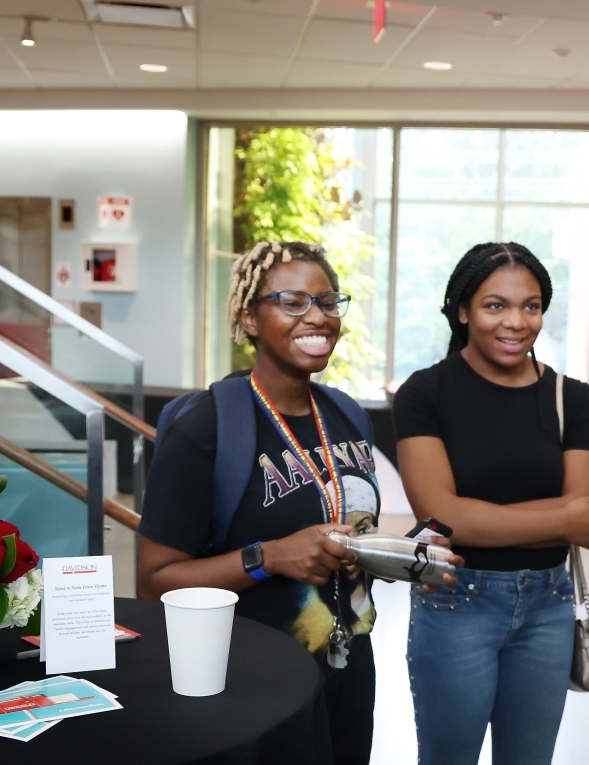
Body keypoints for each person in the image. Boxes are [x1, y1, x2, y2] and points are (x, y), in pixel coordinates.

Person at [138, 241, 458, 764]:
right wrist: (268, 557)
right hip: (252, 682)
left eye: (328, 302)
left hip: (349, 670)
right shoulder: (207, 427)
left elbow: (341, 535)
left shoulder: (347, 415)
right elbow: (154, 582)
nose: (318, 316)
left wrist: (398, 555)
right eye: (292, 303)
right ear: (249, 318)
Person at [393, 242, 589, 765]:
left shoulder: (570, 398)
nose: (516, 321)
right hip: (456, 602)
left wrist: (479, 517)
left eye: (530, 306)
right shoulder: (424, 395)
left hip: (547, 607)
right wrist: (559, 518)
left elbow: (588, 512)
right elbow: (442, 515)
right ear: (463, 310)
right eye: (496, 305)